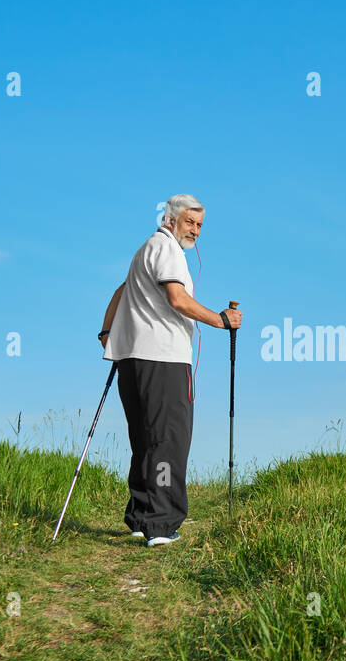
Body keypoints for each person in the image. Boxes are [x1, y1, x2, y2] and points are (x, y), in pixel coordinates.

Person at [98, 194, 241, 547]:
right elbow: (177, 299)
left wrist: (106, 330)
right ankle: (161, 526)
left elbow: (122, 290)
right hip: (163, 358)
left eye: (199, 225)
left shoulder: (146, 249)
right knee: (169, 439)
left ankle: (140, 515)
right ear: (170, 219)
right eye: (190, 222)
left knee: (145, 438)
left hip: (132, 358)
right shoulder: (167, 248)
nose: (195, 230)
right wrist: (221, 320)